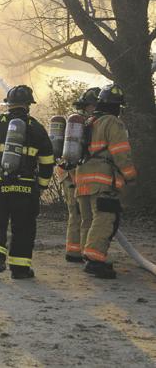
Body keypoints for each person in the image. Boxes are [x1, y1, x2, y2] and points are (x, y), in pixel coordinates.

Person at [0, 85, 54, 280]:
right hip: (25, 187)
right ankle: (20, 269)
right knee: (24, 227)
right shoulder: (36, 127)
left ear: (8, 104)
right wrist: (42, 185)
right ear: (28, 105)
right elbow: (47, 160)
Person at [75, 84, 137, 279]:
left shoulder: (89, 121)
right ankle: (95, 261)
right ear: (117, 106)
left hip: (82, 177)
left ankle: (88, 256)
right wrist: (130, 175)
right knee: (105, 218)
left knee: (88, 220)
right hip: (102, 179)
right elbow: (120, 152)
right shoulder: (113, 123)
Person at [59, 87, 100, 263]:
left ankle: (73, 251)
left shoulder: (76, 122)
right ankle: (82, 251)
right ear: (89, 106)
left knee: (75, 213)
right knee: (85, 215)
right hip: (75, 174)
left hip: (67, 173)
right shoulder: (87, 124)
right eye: (95, 105)